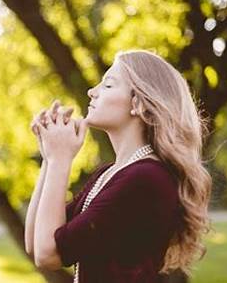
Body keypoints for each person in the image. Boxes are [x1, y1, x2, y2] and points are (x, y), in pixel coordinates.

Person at [25, 49, 213, 282]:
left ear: (138, 103)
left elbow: (49, 254)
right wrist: (49, 156)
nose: (92, 92)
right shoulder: (111, 173)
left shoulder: (146, 178)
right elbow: (35, 242)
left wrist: (59, 160)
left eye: (108, 85)